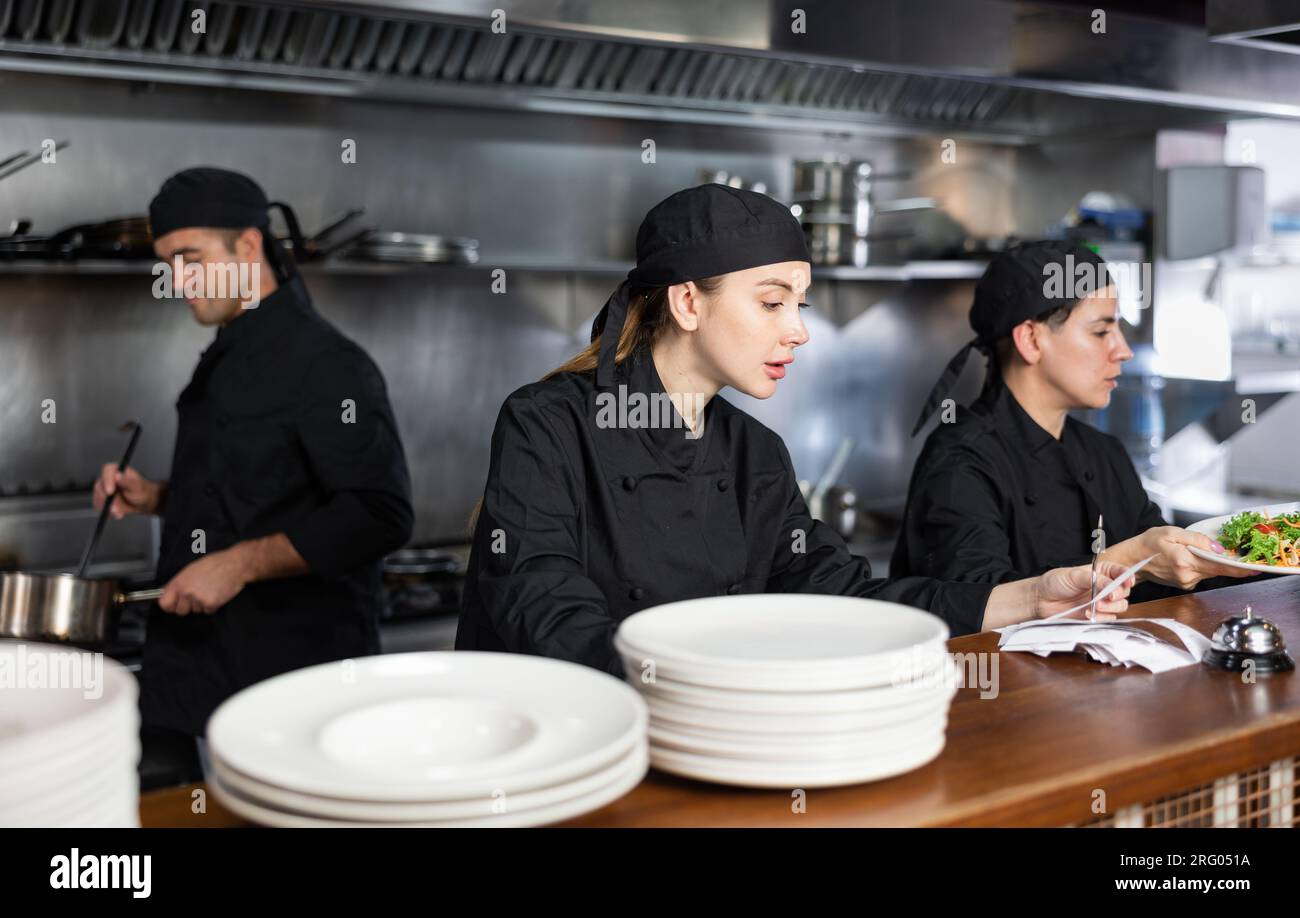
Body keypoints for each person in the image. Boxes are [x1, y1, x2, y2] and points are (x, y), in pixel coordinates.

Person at [456, 186, 1133, 674]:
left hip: (709, 755)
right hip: (573, 759)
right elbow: (544, 614)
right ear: (689, 302)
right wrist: (709, 689)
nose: (799, 330)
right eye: (773, 302)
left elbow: (851, 598)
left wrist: (1028, 600)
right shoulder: (547, 424)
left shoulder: (756, 454)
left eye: (799, 304)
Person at [92, 167, 413, 774]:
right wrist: (157, 497)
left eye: (189, 258)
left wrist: (237, 564)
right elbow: (252, 483)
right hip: (200, 671)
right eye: (166, 263)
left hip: (284, 685)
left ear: (247, 245)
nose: (174, 280)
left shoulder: (328, 364)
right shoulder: (232, 348)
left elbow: (379, 514)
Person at [891, 240, 1249, 598]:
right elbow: (972, 610)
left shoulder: (1103, 453)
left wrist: (1250, 556)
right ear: (1031, 339)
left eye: (1118, 329)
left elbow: (1168, 573)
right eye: (1101, 332)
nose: (1123, 350)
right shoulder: (959, 463)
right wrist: (1130, 560)